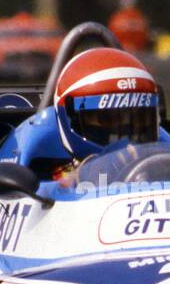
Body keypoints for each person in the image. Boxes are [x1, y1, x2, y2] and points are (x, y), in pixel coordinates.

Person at [50, 46, 160, 182]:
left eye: (137, 118)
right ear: (72, 118)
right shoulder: (57, 181)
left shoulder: (165, 166)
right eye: (107, 118)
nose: (127, 144)